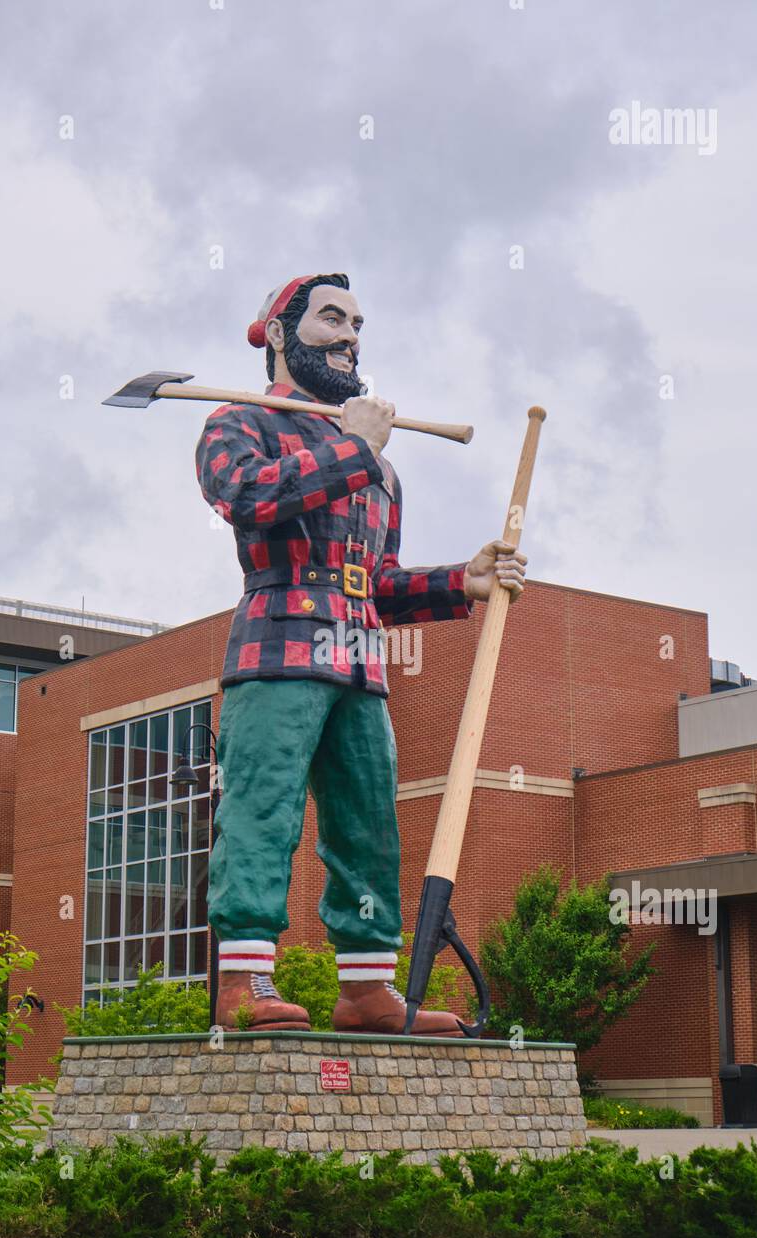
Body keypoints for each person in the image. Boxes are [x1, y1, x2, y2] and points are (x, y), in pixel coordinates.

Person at [196, 273, 526, 1034]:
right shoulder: (237, 424)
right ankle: (244, 981)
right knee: (261, 813)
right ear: (277, 334)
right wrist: (352, 446)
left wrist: (461, 582)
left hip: (359, 662)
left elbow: (371, 580)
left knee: (368, 824)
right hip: (274, 651)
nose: (350, 336)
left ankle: (367, 989)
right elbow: (244, 498)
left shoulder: (381, 469)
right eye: (331, 319)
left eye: (357, 323)